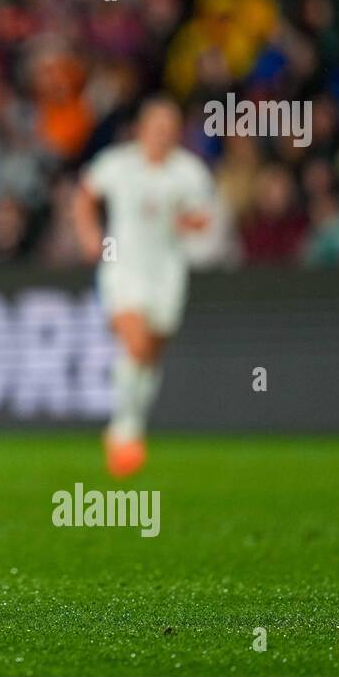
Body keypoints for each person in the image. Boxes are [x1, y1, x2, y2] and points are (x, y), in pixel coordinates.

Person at [73, 96, 213, 478]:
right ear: (142, 129)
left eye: (169, 128)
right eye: (156, 127)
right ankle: (125, 429)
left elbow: (203, 217)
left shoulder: (189, 172)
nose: (162, 135)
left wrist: (191, 223)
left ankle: (132, 422)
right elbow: (84, 196)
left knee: (150, 351)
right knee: (134, 342)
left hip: (167, 271)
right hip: (123, 267)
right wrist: (89, 236)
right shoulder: (117, 164)